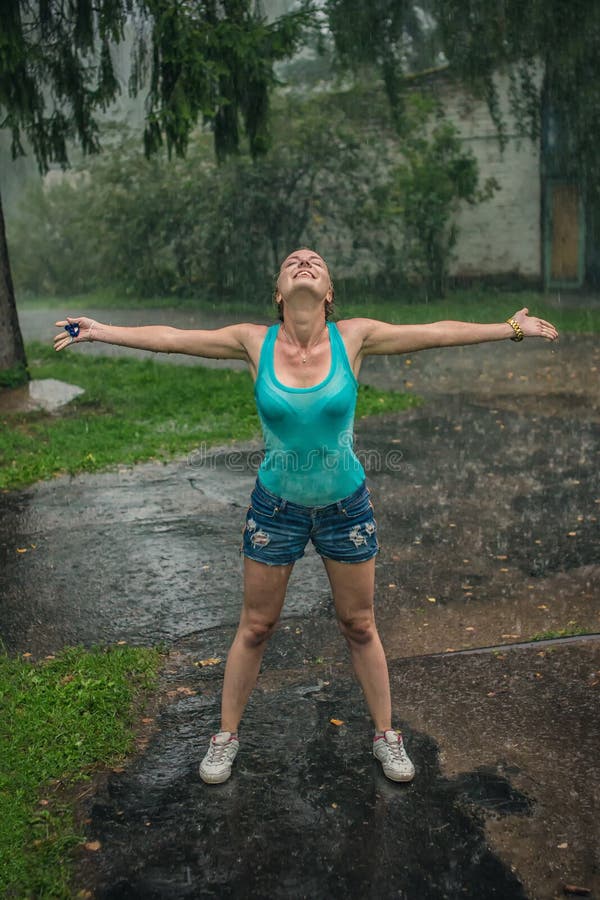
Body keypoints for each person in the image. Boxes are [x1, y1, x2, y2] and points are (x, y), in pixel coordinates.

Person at [54, 248, 558, 784]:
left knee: (359, 625)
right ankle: (224, 737)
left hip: (346, 508)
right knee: (256, 626)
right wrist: (100, 330)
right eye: (293, 260)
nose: (303, 262)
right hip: (277, 508)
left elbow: (433, 330)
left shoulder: (354, 337)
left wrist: (510, 328)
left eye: (314, 260)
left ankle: (387, 736)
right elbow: (174, 337)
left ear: (329, 292)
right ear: (278, 292)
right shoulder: (253, 341)